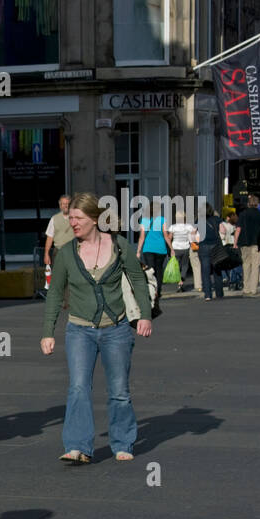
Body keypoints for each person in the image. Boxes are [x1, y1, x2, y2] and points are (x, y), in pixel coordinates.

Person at [41, 192, 153, 463]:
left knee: (119, 390)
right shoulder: (67, 253)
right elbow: (55, 293)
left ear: (94, 218)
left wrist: (145, 315)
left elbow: (138, 279)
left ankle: (122, 441)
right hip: (79, 330)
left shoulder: (119, 245)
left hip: (117, 329)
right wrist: (48, 331)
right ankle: (77, 446)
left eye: (78, 218)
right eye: (70, 218)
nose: (72, 223)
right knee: (78, 387)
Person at [136, 202, 172, 293]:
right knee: (159, 270)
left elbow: (142, 237)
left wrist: (138, 251)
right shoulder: (162, 220)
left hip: (148, 249)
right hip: (161, 249)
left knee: (151, 271)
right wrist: (171, 248)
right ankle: (158, 291)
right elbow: (166, 236)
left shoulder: (144, 221)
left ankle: (152, 290)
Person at [44, 194, 72, 297]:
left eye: (67, 204)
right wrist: (46, 254)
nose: (65, 206)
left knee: (73, 275)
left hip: (73, 251)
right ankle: (62, 299)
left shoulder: (76, 218)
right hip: (59, 251)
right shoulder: (54, 219)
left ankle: (70, 300)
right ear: (60, 205)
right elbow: (50, 237)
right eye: (63, 204)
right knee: (59, 276)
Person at [236, 193, 260, 295]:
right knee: (256, 265)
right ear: (257, 204)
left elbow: (238, 229)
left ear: (248, 203)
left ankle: (246, 287)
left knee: (246, 265)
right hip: (257, 243)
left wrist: (235, 242)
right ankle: (253, 288)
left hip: (244, 242)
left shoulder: (243, 214)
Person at [167, 208, 196, 293]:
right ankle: (181, 282)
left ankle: (179, 282)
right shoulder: (188, 226)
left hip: (175, 248)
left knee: (177, 266)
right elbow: (193, 234)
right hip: (186, 248)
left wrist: (170, 249)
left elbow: (169, 238)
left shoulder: (173, 227)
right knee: (185, 265)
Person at [197, 214, 224, 301]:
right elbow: (223, 230)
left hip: (203, 246)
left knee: (205, 271)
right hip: (215, 245)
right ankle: (219, 293)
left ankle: (208, 294)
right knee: (217, 269)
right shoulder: (216, 219)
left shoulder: (199, 220)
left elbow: (193, 232)